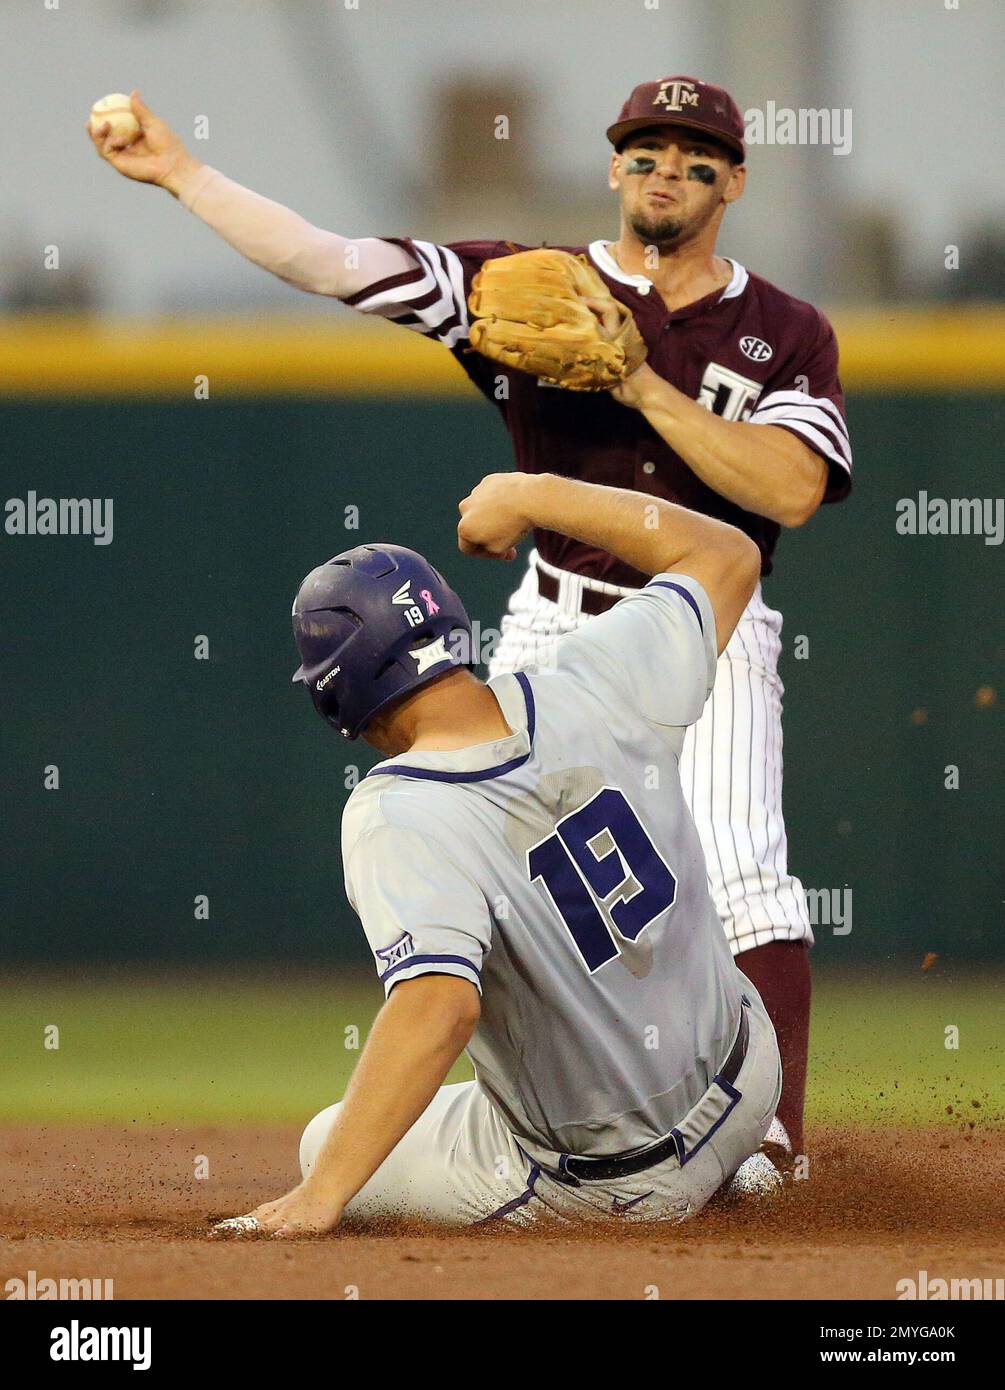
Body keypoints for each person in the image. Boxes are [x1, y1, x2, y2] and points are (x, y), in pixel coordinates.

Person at [91, 76, 853, 1171]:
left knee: (742, 873)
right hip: (557, 621)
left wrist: (641, 385)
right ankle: (544, 1115)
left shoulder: (786, 331)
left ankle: (771, 1148)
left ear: (733, 179)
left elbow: (785, 491)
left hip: (707, 619)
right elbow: (335, 262)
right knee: (498, 865)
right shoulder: (526, 282)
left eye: (694, 157)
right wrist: (181, 173)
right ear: (613, 170)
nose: (665, 172)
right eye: (644, 152)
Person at [213, 472, 780, 1235]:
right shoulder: (595, 678)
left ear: (335, 692)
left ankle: (685, 1180)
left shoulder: (398, 810)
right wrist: (532, 491)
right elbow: (726, 554)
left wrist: (323, 1198)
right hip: (750, 1078)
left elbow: (438, 1007)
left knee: (327, 1142)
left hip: (627, 1186)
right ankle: (737, 1164)